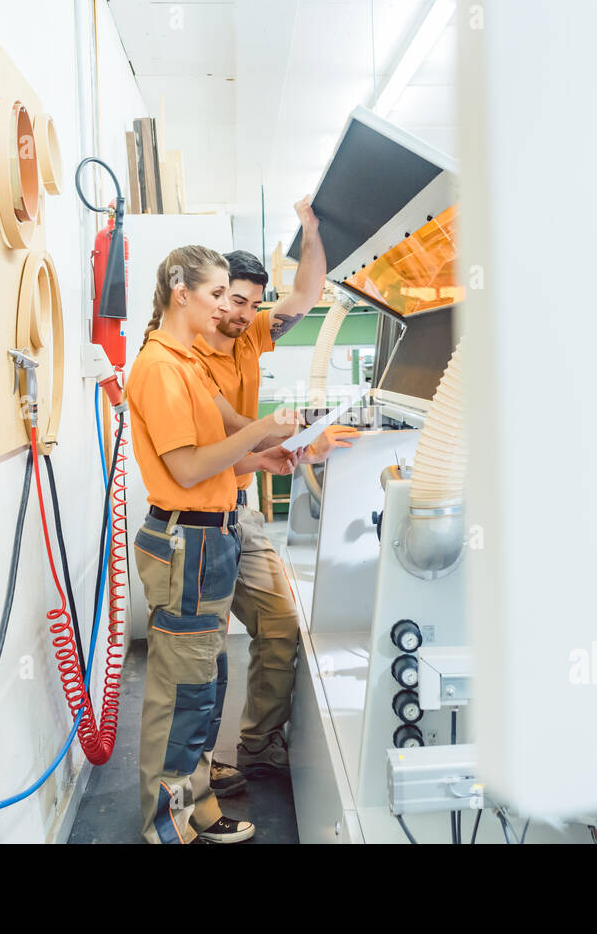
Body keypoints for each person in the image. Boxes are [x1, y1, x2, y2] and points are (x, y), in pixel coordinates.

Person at [126, 245, 303, 845]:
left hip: (212, 535)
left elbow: (219, 437)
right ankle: (165, 825)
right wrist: (261, 429)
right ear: (184, 293)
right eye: (219, 293)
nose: (231, 306)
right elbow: (187, 469)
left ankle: (195, 804)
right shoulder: (160, 367)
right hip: (187, 541)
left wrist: (263, 454)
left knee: (199, 688)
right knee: (180, 692)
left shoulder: (190, 362)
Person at [192, 197, 360, 795]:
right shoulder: (186, 360)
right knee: (202, 658)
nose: (245, 313)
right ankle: (193, 774)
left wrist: (312, 230)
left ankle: (259, 743)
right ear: (211, 295)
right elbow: (204, 452)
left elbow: (306, 297)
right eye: (235, 300)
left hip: (240, 514)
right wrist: (275, 436)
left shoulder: (247, 338)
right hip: (196, 526)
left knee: (282, 623)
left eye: (254, 302)